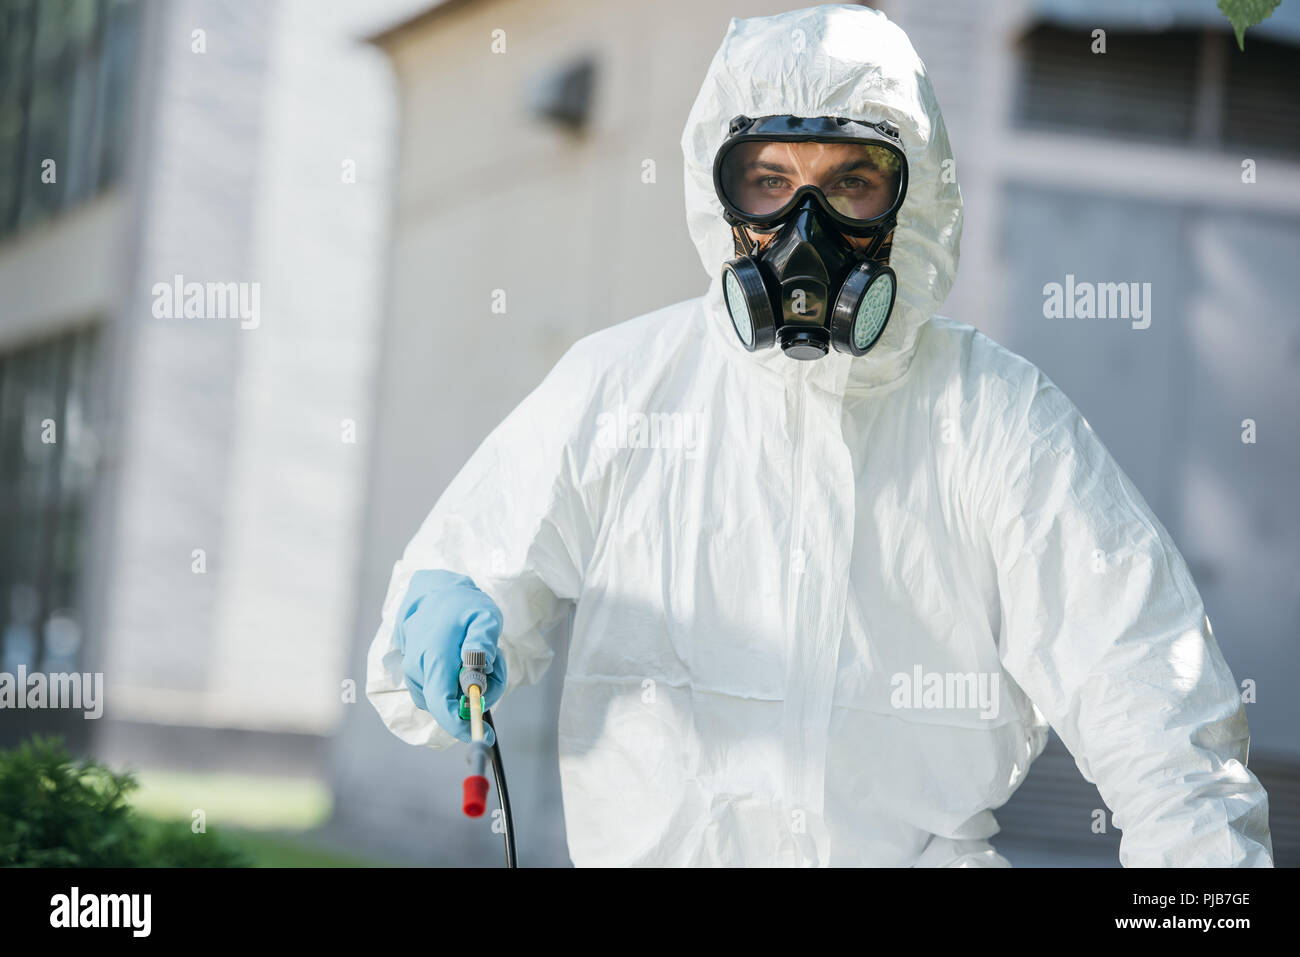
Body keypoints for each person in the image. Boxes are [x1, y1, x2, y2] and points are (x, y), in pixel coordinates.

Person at [366, 5, 1273, 867]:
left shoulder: (996, 419)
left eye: (851, 183)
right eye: (769, 181)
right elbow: (433, 640)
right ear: (722, 200)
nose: (806, 232)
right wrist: (449, 628)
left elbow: (1157, 707)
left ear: (906, 204)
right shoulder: (623, 389)